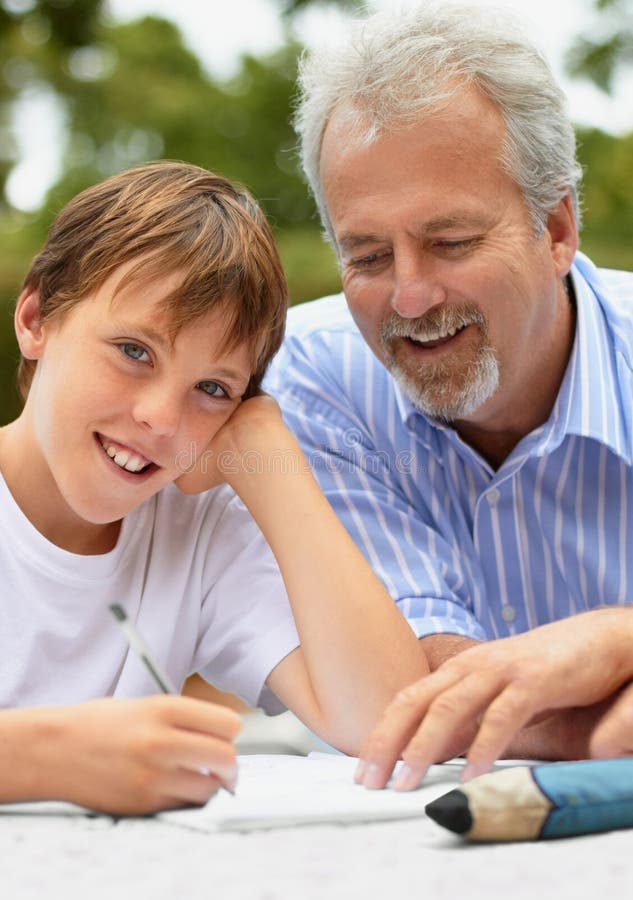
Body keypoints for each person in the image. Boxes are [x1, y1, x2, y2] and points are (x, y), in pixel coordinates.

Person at [0, 160, 429, 814]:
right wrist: (53, 756)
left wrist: (272, 464)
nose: (161, 418)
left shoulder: (199, 533)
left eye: (212, 389)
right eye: (134, 351)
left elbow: (390, 725)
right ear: (37, 316)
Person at [263, 3, 633, 789]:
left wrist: (614, 638)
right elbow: (413, 684)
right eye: (365, 256)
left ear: (558, 228)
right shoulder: (310, 382)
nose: (408, 295)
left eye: (451, 243)